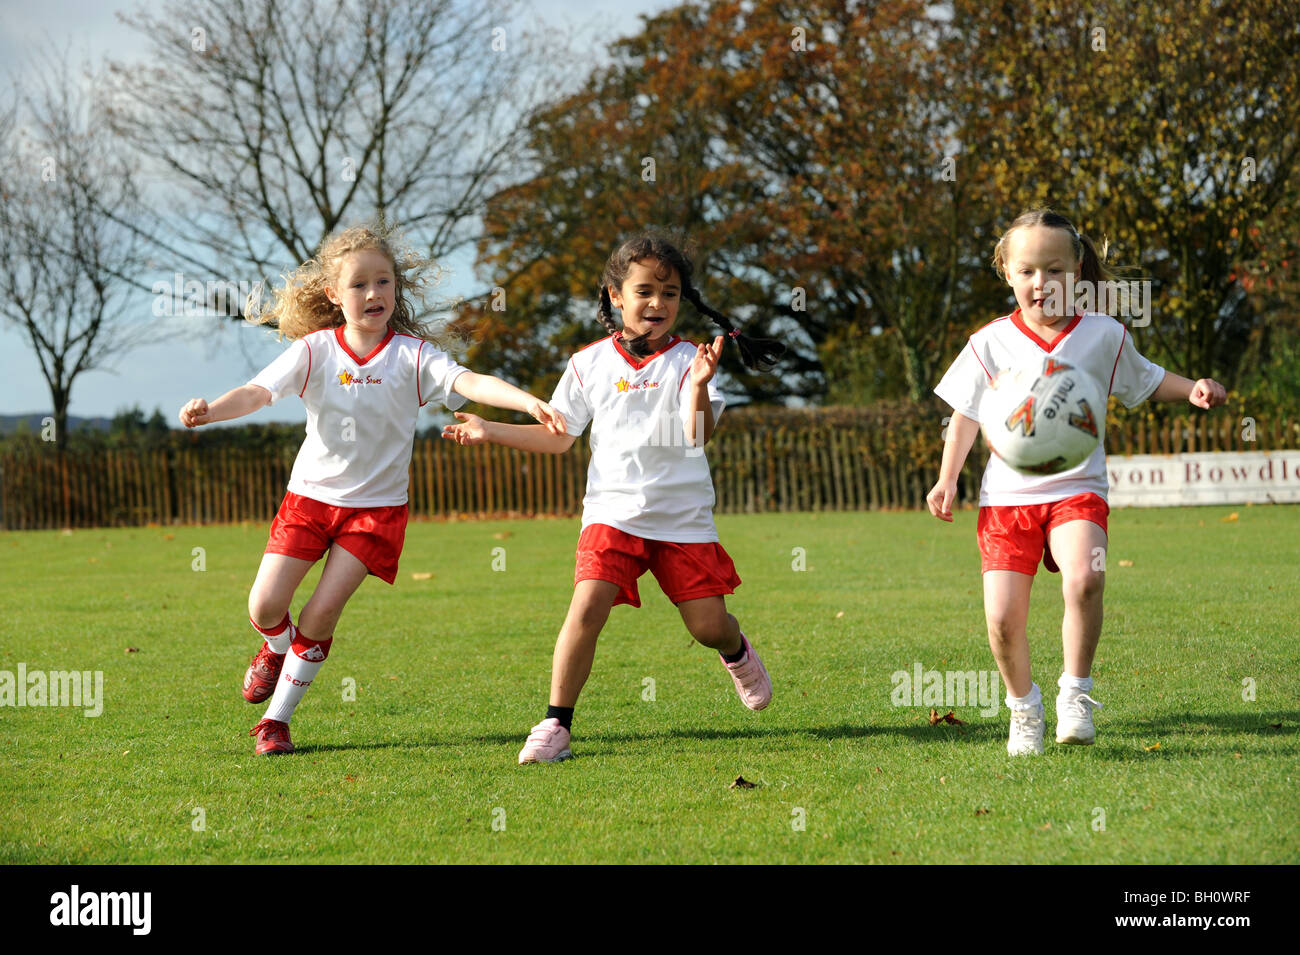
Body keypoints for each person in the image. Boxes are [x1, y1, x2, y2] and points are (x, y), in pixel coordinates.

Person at [178, 225, 565, 755]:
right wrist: (212, 410)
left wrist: (526, 402)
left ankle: (276, 722)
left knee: (319, 615)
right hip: (310, 500)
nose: (373, 294)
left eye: (383, 281)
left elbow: (469, 382)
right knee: (267, 604)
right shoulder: (314, 351)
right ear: (334, 295)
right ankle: (274, 648)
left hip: (375, 513)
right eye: (359, 285)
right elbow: (257, 392)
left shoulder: (413, 355)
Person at [442, 233, 784, 763]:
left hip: (682, 520)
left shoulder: (691, 361)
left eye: (670, 293)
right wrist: (492, 428)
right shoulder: (587, 364)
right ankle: (556, 725)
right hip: (611, 514)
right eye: (644, 290)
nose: (657, 303)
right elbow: (558, 437)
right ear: (615, 296)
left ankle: (737, 652)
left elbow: (697, 435)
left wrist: (698, 385)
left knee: (708, 627)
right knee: (585, 608)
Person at [927, 209, 1226, 755]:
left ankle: (1075, 693)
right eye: (1028, 271)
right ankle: (1024, 708)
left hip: (1077, 488)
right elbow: (966, 414)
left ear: (1078, 272)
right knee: (1001, 620)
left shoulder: (1102, 335)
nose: (1042, 283)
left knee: (1085, 578)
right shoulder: (989, 343)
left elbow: (1148, 379)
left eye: (1056, 270)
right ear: (1008, 273)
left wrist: (1193, 389)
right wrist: (947, 478)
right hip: (1006, 501)